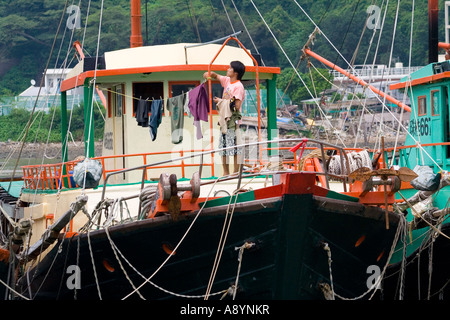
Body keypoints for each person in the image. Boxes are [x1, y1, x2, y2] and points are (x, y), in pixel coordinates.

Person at [203, 61, 245, 176]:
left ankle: (235, 173)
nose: (228, 69)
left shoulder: (238, 86)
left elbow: (236, 106)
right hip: (224, 120)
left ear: (235, 72)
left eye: (230, 68)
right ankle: (226, 173)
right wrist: (209, 74)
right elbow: (216, 76)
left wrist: (220, 101)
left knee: (235, 148)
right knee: (224, 148)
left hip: (233, 120)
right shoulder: (227, 80)